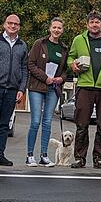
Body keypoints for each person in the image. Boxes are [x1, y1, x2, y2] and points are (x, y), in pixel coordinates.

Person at [67, 10, 101, 169]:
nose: (94, 24)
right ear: (87, 24)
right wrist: (72, 65)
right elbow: (70, 57)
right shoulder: (78, 39)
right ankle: (80, 158)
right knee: (82, 124)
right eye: (92, 22)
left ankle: (99, 159)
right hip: (85, 86)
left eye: (97, 22)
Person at [0, 14, 29, 167]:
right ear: (4, 24)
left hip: (12, 90)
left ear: (19, 26)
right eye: (10, 23)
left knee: (4, 125)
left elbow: (24, 68)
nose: (13, 26)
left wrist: (21, 89)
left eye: (16, 24)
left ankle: (0, 155)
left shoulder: (22, 45)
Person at [25, 17, 68, 167]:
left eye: (59, 28)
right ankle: (30, 155)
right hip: (37, 86)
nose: (56, 30)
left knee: (48, 122)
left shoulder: (63, 49)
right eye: (54, 27)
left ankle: (44, 155)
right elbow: (30, 64)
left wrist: (60, 79)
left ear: (62, 30)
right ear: (50, 28)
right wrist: (45, 77)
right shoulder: (39, 44)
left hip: (53, 89)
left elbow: (65, 71)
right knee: (36, 121)